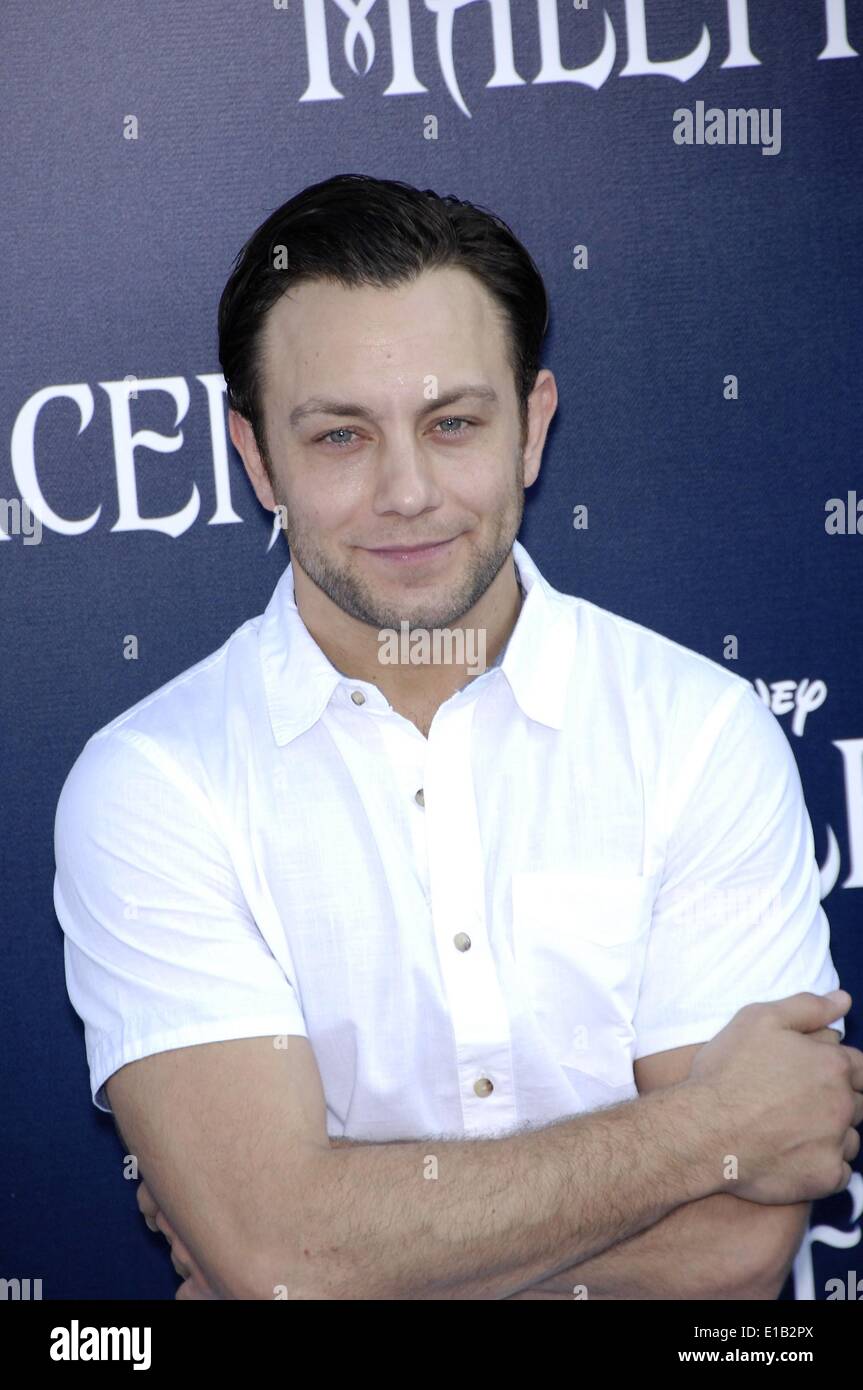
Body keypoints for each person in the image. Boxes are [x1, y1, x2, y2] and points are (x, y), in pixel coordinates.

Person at [53, 174, 862, 1301]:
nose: (406, 491)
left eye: (452, 424)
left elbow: (731, 1252)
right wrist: (710, 1128)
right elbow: (286, 1255)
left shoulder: (694, 732)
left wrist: (327, 1235)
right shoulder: (153, 784)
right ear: (254, 457)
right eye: (339, 434)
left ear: (531, 426)